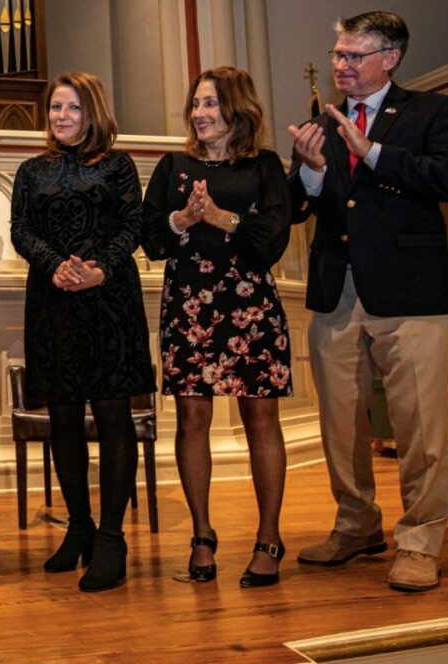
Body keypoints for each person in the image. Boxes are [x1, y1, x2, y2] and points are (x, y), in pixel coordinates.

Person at [288, 11, 448, 592]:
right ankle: (356, 525)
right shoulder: (320, 123)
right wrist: (313, 174)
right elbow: (297, 207)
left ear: (390, 58)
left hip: (410, 292)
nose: (341, 65)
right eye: (338, 54)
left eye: (353, 56)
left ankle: (420, 540)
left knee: (421, 427)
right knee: (341, 421)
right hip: (336, 290)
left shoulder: (432, 112)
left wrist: (372, 153)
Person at [142, 66, 293, 588]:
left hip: (250, 304)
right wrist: (182, 218)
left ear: (237, 110)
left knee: (261, 422)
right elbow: (151, 240)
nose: (200, 113)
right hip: (189, 305)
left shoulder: (266, 166)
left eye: (211, 104)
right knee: (191, 421)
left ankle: (268, 538)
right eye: (196, 104)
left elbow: (273, 240)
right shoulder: (173, 166)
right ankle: (202, 536)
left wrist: (219, 217)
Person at [11, 71, 155, 593]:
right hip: (52, 303)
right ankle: (79, 527)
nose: (62, 117)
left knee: (114, 417)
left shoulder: (118, 165)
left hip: (109, 299)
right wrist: (55, 265)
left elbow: (132, 225)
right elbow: (20, 229)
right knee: (64, 420)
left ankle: (112, 537)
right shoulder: (31, 169)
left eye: (72, 108)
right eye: (55, 109)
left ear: (92, 111)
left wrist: (98, 268)